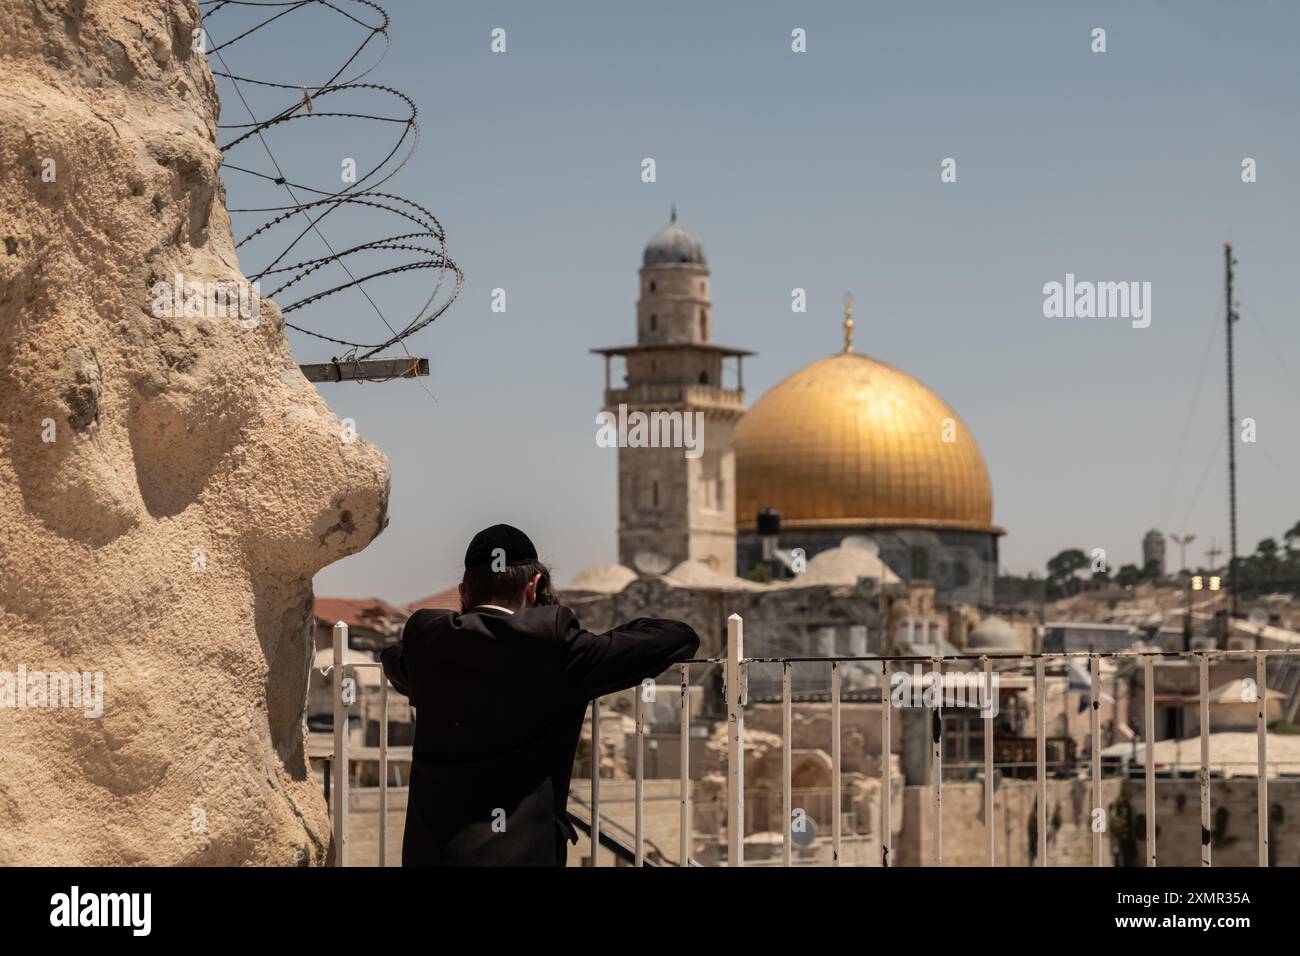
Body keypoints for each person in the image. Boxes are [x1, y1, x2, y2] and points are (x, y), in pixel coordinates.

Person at [379, 523, 700, 866]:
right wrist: (594, 643)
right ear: (535, 586)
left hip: (432, 856)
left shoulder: (426, 640)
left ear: (464, 590)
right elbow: (677, 636)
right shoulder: (556, 647)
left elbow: (393, 661)